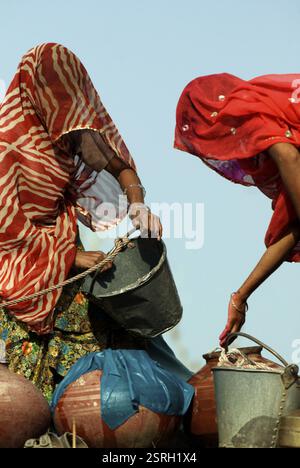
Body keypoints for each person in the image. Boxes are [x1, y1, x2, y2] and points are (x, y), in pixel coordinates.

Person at [0, 42, 171, 401]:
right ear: (37, 94)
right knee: (24, 393)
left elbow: (119, 165)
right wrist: (71, 259)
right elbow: (6, 229)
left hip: (62, 252)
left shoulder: (70, 132)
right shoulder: (7, 144)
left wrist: (138, 204)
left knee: (122, 329)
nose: (65, 107)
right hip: (17, 273)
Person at [174, 73, 300, 347]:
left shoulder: (254, 115)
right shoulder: (274, 120)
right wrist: (241, 296)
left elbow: (288, 156)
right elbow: (293, 225)